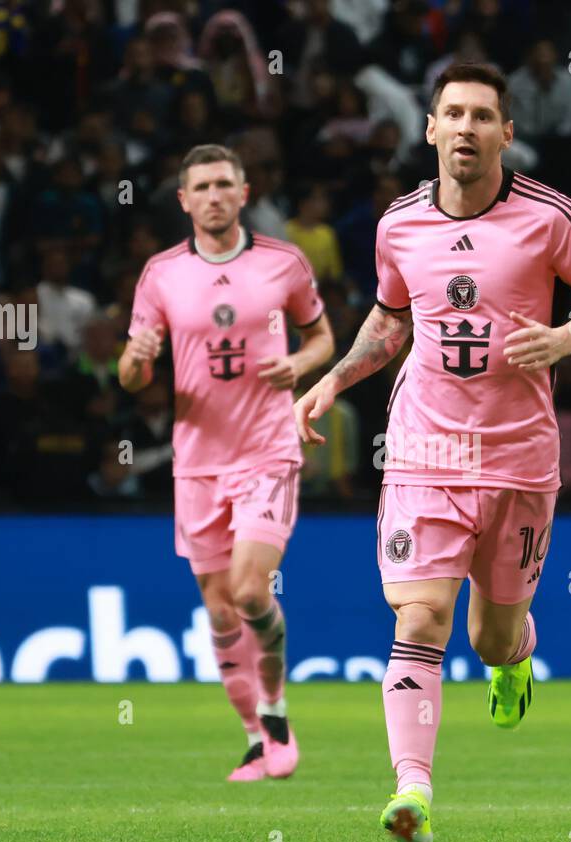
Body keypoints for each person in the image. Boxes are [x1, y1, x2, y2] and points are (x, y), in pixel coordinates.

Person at [293, 63, 571, 842]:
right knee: (421, 614)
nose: (468, 127)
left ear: (507, 133)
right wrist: (332, 381)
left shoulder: (552, 217)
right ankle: (412, 791)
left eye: (484, 115)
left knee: (489, 637)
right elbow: (389, 321)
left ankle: (518, 659)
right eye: (455, 113)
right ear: (431, 129)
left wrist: (566, 335)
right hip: (423, 448)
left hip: (519, 457)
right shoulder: (399, 223)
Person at [120, 144, 335, 783]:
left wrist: (298, 365)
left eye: (224, 184)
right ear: (183, 201)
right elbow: (130, 376)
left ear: (244, 193)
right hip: (197, 464)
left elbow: (321, 336)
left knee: (248, 591)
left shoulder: (283, 263)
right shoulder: (160, 275)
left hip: (267, 451)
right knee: (218, 614)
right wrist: (139, 357)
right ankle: (252, 738)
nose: (214, 196)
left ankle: (275, 710)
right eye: (201, 187)